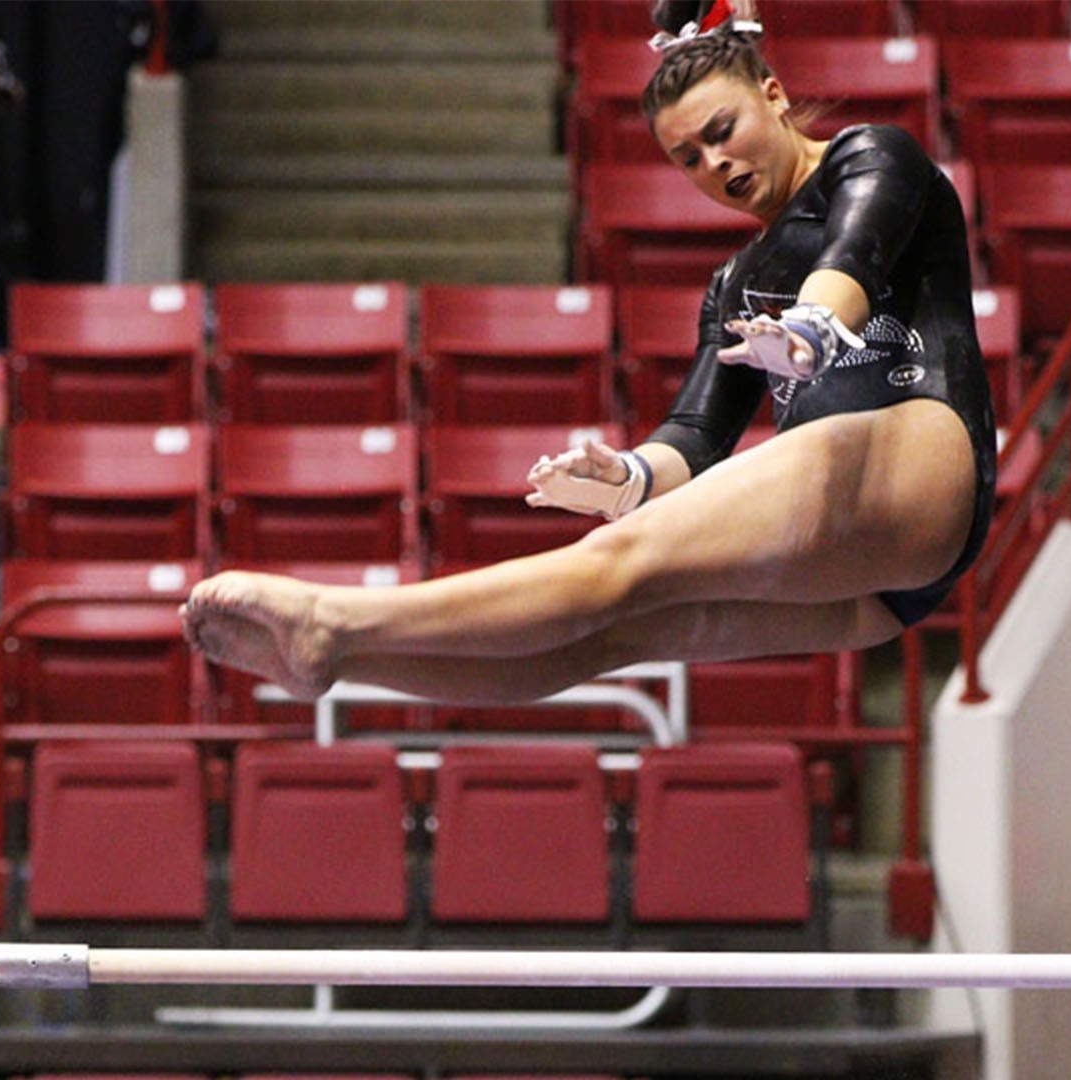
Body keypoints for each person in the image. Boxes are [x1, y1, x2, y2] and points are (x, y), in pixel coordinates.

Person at [180, 0, 996, 704]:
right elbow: (697, 437)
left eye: (723, 132)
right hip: (877, 591)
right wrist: (630, 475)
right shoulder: (734, 285)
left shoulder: (870, 155)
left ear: (774, 97)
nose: (715, 163)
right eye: (688, 158)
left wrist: (811, 329)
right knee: (610, 633)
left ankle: (336, 617)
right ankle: (342, 660)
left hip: (924, 466)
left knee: (621, 560)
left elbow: (853, 252)